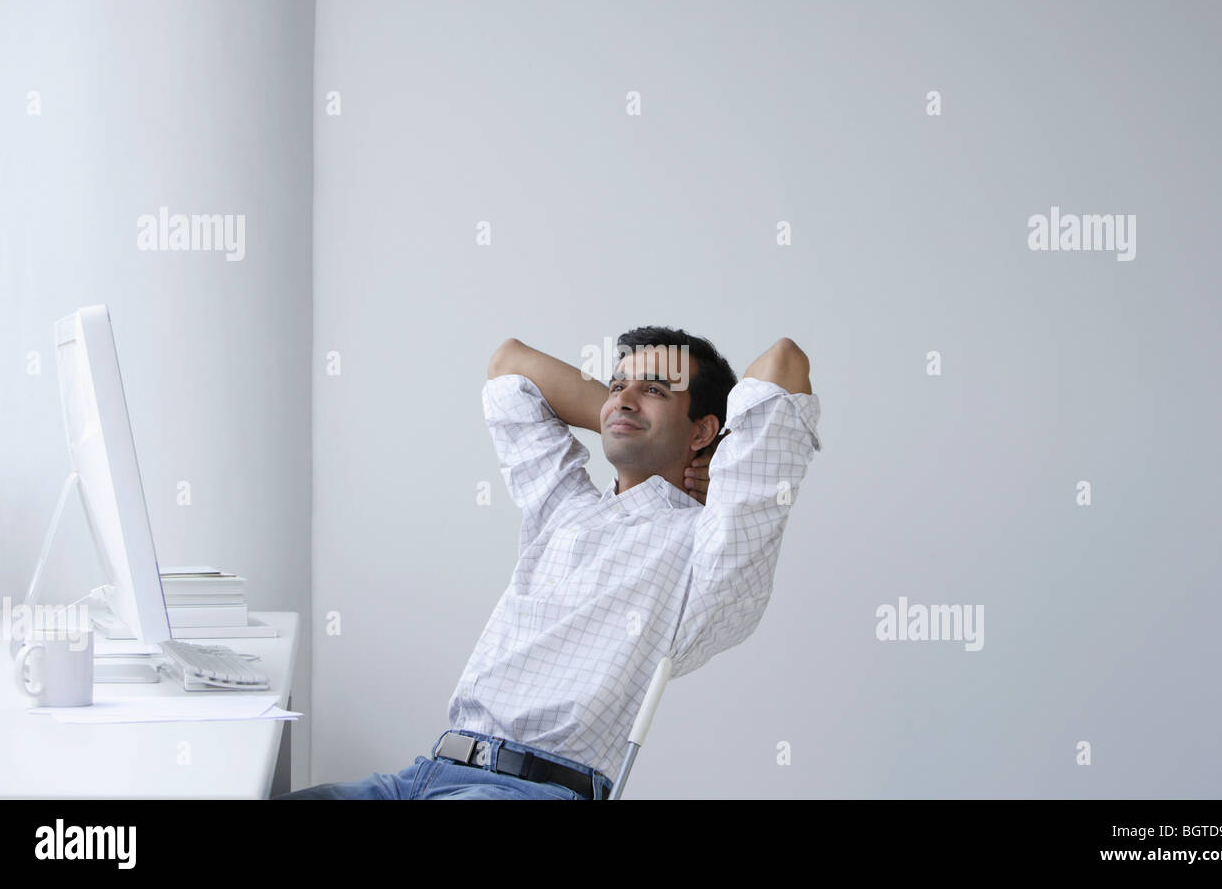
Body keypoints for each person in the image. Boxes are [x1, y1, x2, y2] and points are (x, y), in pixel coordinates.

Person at [275, 327, 822, 799]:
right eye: (616, 385)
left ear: (704, 428)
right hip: (422, 774)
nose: (625, 398)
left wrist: (713, 455)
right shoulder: (566, 510)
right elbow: (509, 365)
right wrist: (623, 413)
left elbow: (784, 361)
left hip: (531, 790)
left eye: (654, 389)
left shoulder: (708, 546)